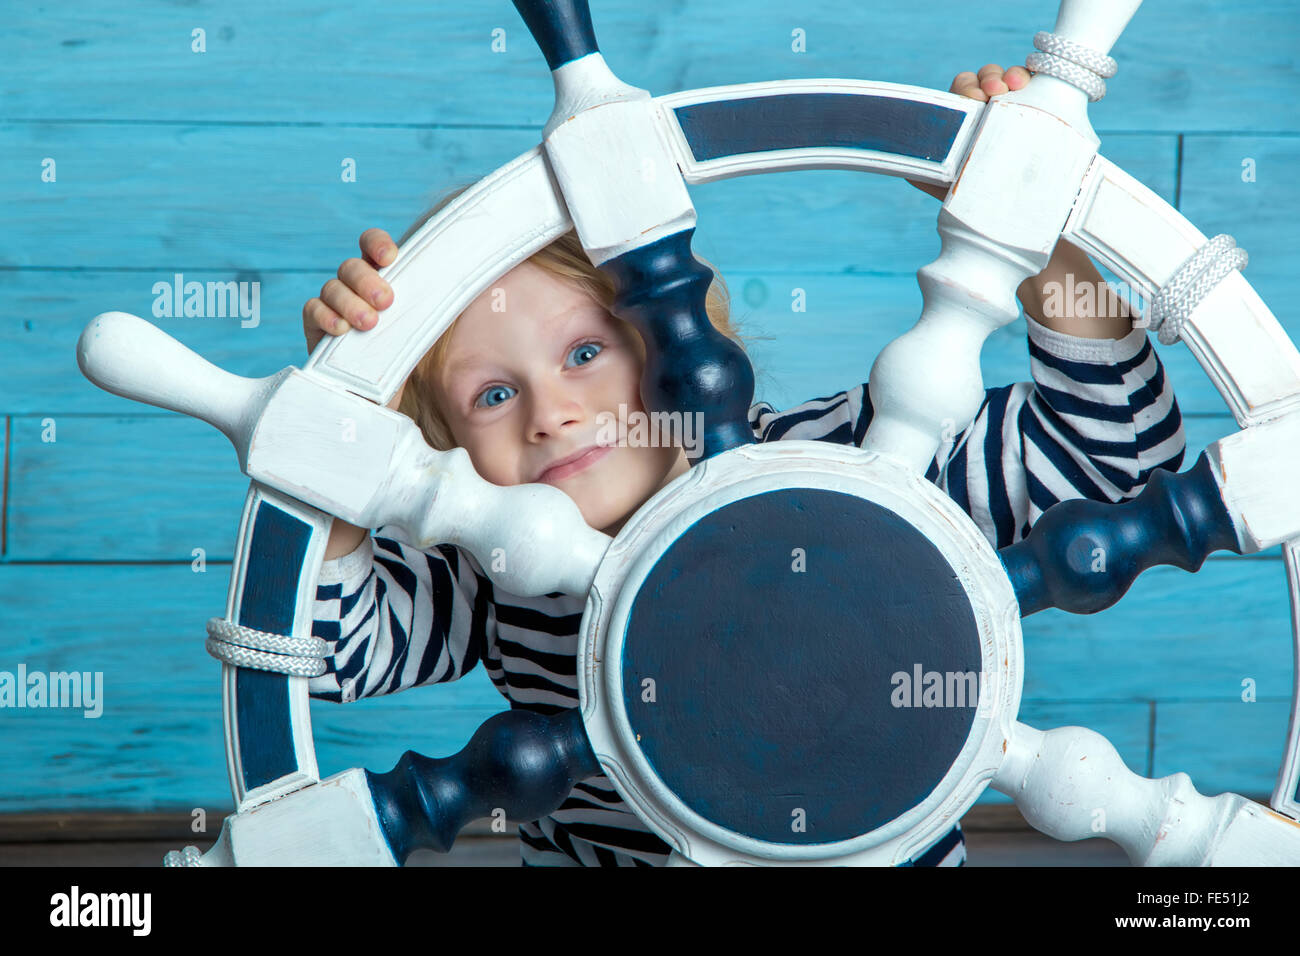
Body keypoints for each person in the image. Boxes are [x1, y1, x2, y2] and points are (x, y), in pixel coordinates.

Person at [302, 65, 1185, 866]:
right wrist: (346, 414)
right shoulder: (487, 569)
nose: (553, 414)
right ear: (447, 445)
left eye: (582, 354)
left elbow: (1116, 463)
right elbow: (332, 651)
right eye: (493, 396)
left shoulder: (840, 473)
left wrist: (1029, 238)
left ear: (672, 327)